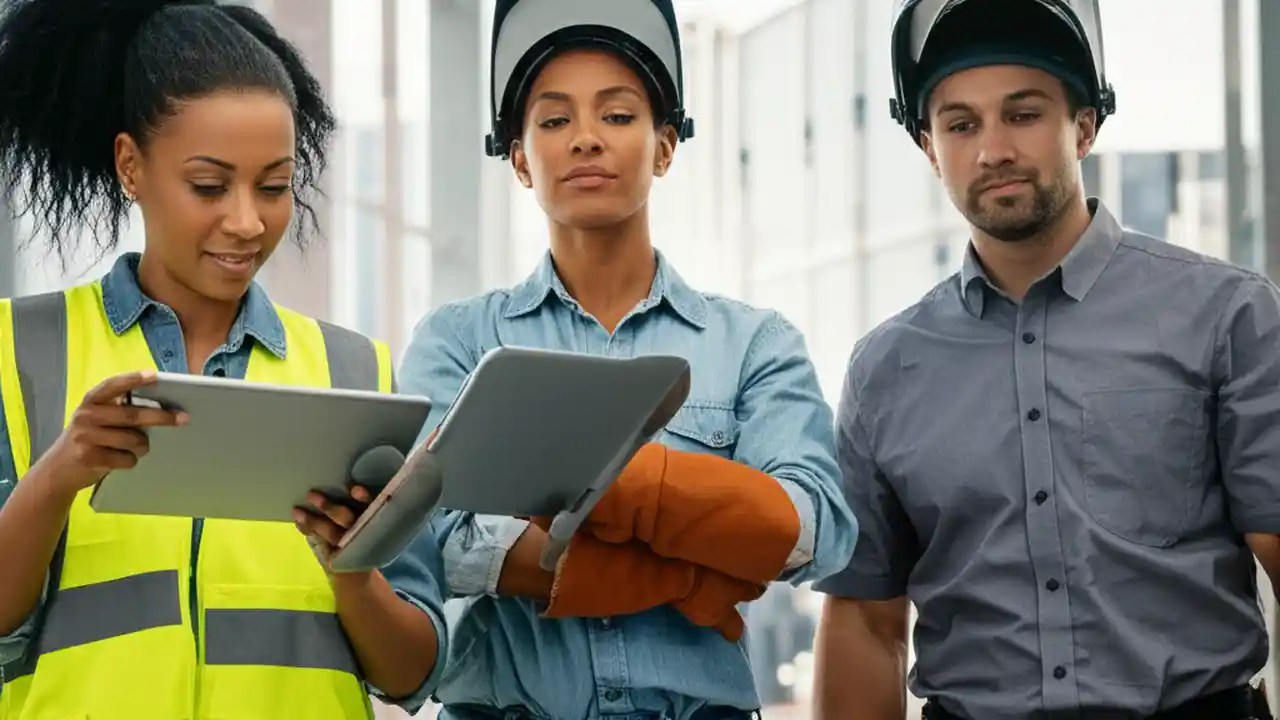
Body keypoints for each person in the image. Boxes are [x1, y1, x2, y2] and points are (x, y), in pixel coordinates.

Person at [812, 1, 1280, 719]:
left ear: (1084, 126)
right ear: (930, 150)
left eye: (1023, 115)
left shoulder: (1226, 314)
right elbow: (867, 623)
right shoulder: (885, 367)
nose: (992, 149)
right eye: (960, 125)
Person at [397, 1, 858, 718]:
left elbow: (810, 530)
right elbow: (434, 541)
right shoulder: (458, 343)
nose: (585, 139)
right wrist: (692, 568)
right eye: (554, 121)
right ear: (519, 159)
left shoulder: (756, 344)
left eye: (617, 116)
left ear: (665, 146)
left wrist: (619, 489)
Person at [0, 1, 447, 717]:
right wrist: (58, 476)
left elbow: (412, 675)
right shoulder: (18, 351)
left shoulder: (355, 372)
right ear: (130, 166)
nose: (247, 221)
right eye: (209, 186)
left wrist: (352, 575)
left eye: (274, 187)